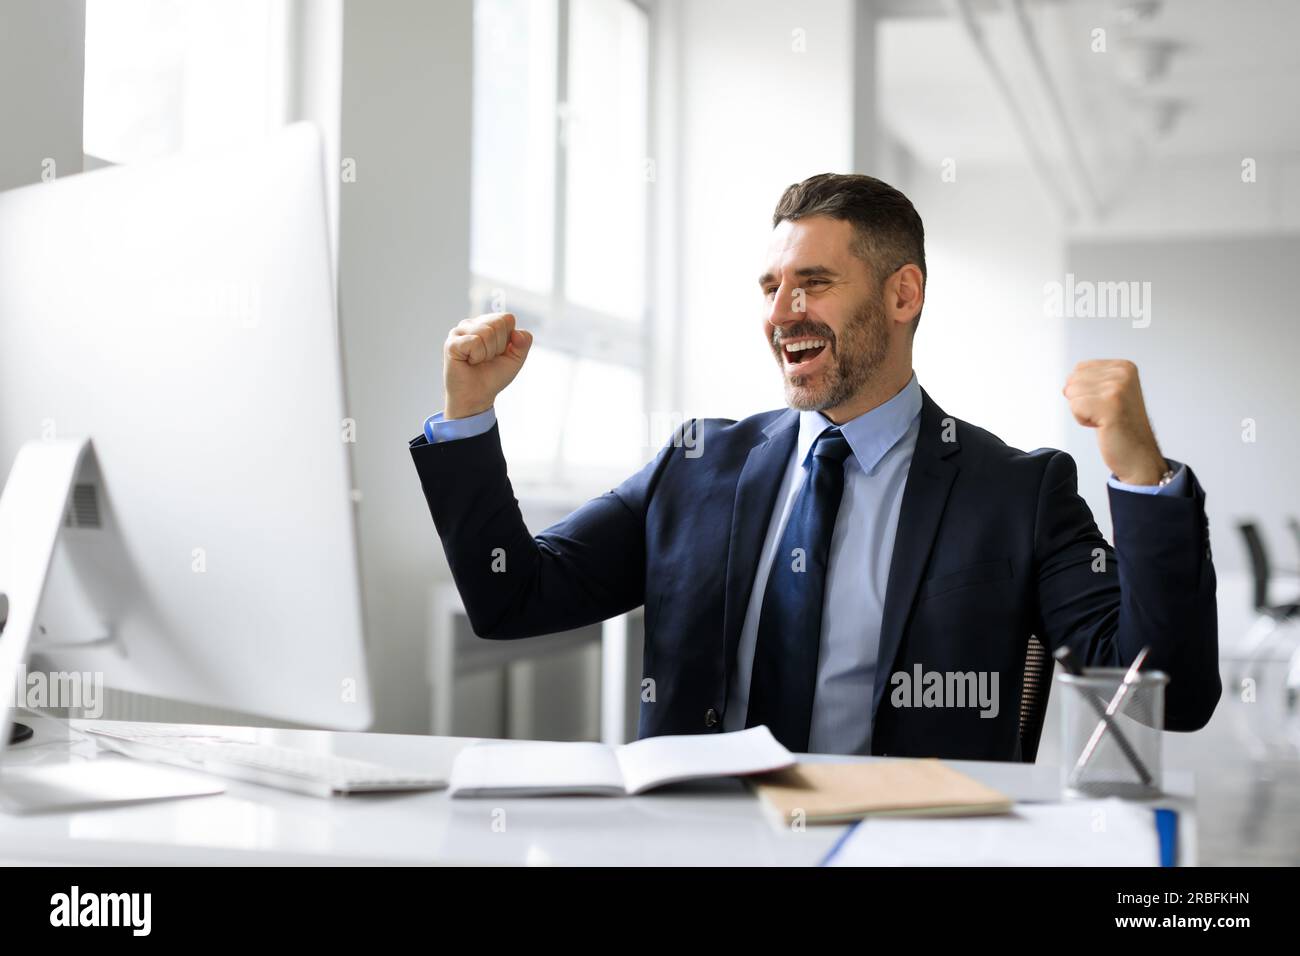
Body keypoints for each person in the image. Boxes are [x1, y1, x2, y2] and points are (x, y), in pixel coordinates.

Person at [409, 172, 1219, 760]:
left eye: (815, 283)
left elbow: (1167, 694)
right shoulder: (696, 464)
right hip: (703, 847)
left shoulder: (1017, 493)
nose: (781, 313)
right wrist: (469, 417)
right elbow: (512, 597)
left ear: (904, 296)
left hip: (905, 855)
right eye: (770, 287)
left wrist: (1142, 478)